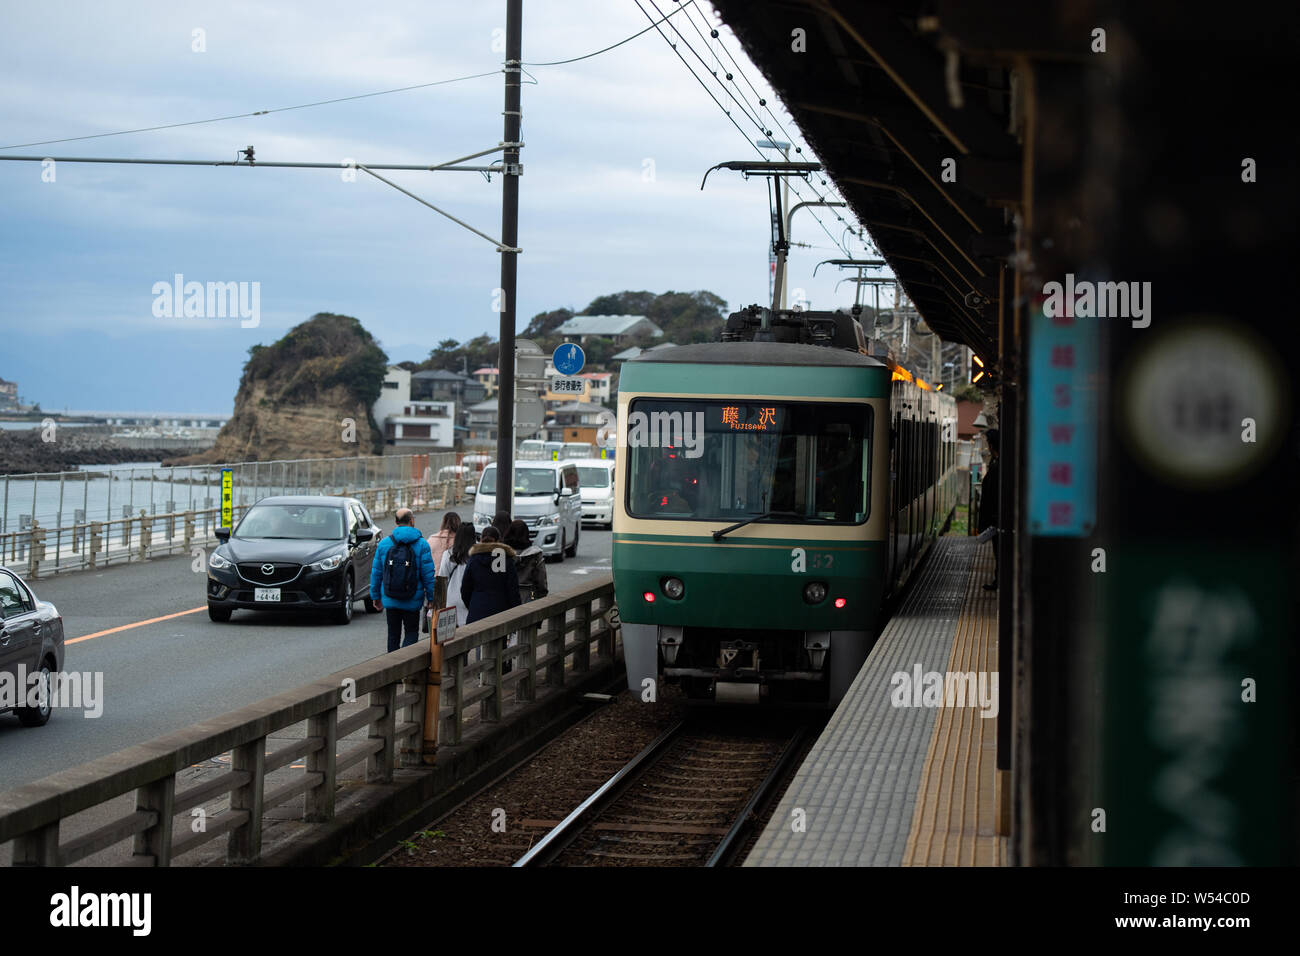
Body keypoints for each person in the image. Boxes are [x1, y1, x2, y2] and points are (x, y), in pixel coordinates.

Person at [370, 508, 439, 652]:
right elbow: (428, 574)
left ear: (396, 522)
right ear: (412, 521)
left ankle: (393, 664)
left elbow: (376, 573)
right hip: (412, 598)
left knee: (393, 635)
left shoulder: (384, 544)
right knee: (411, 633)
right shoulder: (422, 544)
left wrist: (375, 596)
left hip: (390, 597)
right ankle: (406, 662)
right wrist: (431, 598)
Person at [461, 526, 522, 624]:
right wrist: (516, 612)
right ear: (499, 541)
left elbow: (465, 589)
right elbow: (513, 590)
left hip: (477, 611)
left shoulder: (474, 559)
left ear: (481, 540)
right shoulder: (506, 560)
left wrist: (473, 604)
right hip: (501, 612)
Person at [438, 524, 477, 628]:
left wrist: (438, 605)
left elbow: (442, 579)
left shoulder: (448, 554)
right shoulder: (477, 555)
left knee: (453, 634)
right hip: (471, 599)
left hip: (452, 600)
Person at [978, 429, 1000, 591]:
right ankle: (998, 579)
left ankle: (999, 580)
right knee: (997, 551)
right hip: (994, 518)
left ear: (992, 445)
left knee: (999, 551)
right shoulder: (996, 464)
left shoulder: (997, 466)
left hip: (995, 518)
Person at [504, 519, 548, 602]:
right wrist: (542, 594)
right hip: (529, 595)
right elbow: (541, 579)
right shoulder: (535, 554)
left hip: (507, 595)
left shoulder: (502, 553)